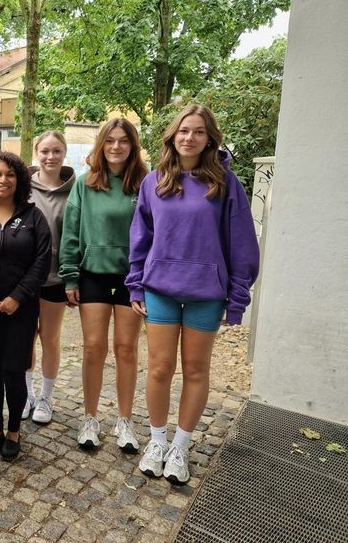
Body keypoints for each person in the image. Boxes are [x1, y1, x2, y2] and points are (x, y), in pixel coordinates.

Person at [126, 105, 260, 484]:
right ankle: (157, 441)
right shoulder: (153, 181)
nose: (190, 138)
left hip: (206, 293)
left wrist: (236, 298)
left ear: (209, 138)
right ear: (173, 135)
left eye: (198, 132)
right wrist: (136, 282)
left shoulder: (226, 184)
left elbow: (241, 244)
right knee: (159, 368)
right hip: (161, 291)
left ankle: (181, 447)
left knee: (197, 371)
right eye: (184, 131)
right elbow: (141, 238)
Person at [58, 119, 148, 452]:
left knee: (126, 349)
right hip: (92, 273)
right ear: (101, 145)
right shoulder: (85, 184)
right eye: (109, 141)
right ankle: (90, 418)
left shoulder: (145, 184)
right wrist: (70, 274)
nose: (116, 147)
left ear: (132, 146)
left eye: (123, 141)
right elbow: (70, 231)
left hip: (131, 278)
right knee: (94, 348)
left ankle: (125, 420)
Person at [0, 152, 51, 461]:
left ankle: (14, 430)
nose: (3, 180)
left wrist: (18, 296)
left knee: (13, 370)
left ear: (20, 180)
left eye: (10, 174)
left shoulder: (33, 217)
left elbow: (42, 261)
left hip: (21, 308)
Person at [25, 131, 76, 425]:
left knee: (51, 338)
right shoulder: (24, 187)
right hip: (27, 278)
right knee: (27, 336)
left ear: (64, 153)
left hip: (57, 278)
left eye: (56, 151)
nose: (50, 156)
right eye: (45, 151)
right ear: (36, 152)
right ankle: (27, 393)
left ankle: (47, 396)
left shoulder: (75, 189)